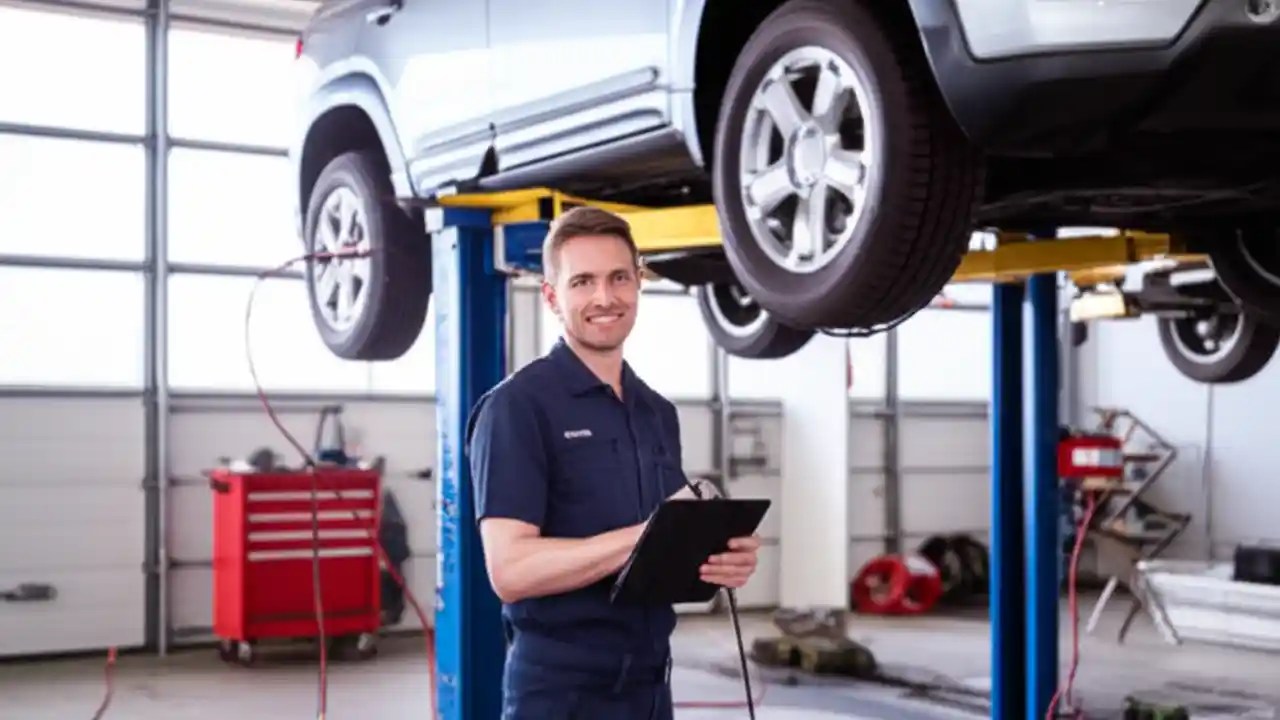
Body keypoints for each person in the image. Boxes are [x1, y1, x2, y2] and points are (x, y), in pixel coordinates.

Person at [465, 206, 762, 719]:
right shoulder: (517, 407)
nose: (605, 298)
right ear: (553, 297)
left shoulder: (656, 413)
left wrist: (718, 557)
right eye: (583, 282)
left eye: (619, 278)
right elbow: (511, 571)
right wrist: (651, 532)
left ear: (638, 284)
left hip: (650, 690)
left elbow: (657, 564)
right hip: (560, 696)